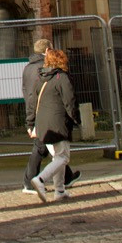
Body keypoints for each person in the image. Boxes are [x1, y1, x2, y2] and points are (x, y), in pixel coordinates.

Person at [22, 38, 79, 194]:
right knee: (60, 157)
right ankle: (36, 180)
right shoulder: (53, 74)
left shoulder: (29, 68)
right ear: (47, 51)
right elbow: (69, 101)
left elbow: (29, 95)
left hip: (39, 117)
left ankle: (59, 189)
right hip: (54, 119)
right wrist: (76, 119)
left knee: (55, 155)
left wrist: (30, 121)